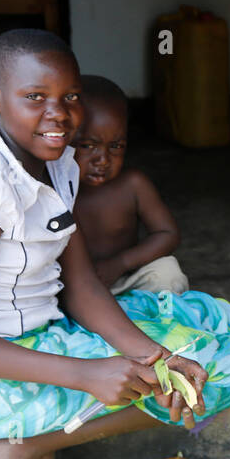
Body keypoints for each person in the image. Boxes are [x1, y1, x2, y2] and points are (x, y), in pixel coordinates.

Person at [0, 29, 230, 459]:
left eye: (70, 97)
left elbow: (82, 285)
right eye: (35, 97)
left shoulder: (60, 165)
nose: (59, 114)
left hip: (46, 334)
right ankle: (20, 447)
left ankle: (27, 440)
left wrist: (158, 360)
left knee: (210, 325)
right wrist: (86, 375)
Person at [71, 74, 189, 295]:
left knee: (167, 272)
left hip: (125, 282)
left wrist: (120, 264)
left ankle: (146, 318)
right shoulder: (52, 190)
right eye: (88, 145)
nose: (103, 160)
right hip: (74, 288)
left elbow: (167, 233)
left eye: (115, 146)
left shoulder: (133, 184)